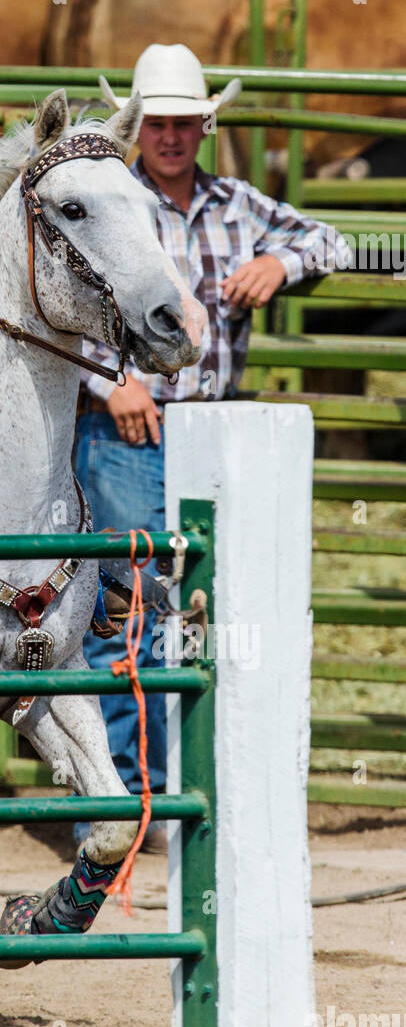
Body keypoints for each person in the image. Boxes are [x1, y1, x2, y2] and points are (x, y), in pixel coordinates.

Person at [73, 44, 348, 851]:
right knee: (123, 619)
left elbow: (330, 241)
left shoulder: (239, 204)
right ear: (137, 125)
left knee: (197, 620)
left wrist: (278, 259)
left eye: (182, 123)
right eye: (156, 122)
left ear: (204, 126)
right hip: (131, 428)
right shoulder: (109, 200)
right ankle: (115, 804)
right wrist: (106, 384)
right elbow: (61, 302)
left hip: (212, 431)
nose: (168, 136)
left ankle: (180, 797)